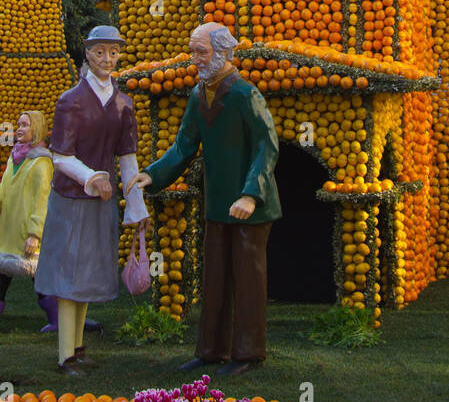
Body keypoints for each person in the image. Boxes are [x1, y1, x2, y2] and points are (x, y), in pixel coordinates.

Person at [128, 22, 282, 378]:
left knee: (246, 278)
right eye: (193, 50)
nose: (194, 58)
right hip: (218, 203)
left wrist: (250, 194)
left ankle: (248, 353)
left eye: (201, 51)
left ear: (223, 52)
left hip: (250, 207)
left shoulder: (246, 94)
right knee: (214, 276)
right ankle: (211, 350)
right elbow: (184, 145)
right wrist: (153, 174)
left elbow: (266, 145)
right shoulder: (199, 95)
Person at [34, 25, 148, 375]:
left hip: (102, 201)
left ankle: (78, 348)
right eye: (101, 52)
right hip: (72, 199)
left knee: (87, 274)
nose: (108, 59)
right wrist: (91, 177)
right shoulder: (71, 101)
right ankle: (65, 355)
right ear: (87, 53)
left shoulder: (123, 104)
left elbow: (128, 159)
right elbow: (60, 156)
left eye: (113, 52)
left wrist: (137, 206)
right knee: (70, 275)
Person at [0, 110, 56, 335]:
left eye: (25, 125)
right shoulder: (15, 157)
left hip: (26, 233)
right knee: (0, 276)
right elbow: (1, 194)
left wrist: (35, 234)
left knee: (40, 278)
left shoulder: (42, 163)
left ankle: (57, 320)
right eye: (18, 124)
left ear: (36, 129)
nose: (19, 129)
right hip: (8, 231)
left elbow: (42, 201)